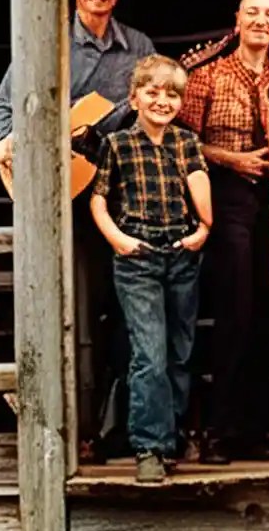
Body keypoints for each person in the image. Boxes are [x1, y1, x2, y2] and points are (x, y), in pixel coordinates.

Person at [0, 0, 158, 460]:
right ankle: (77, 429)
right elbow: (2, 107)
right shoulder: (48, 44)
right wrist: (8, 146)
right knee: (79, 316)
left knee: (130, 314)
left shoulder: (139, 48)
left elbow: (150, 111)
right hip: (68, 201)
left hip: (124, 196)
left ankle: (124, 429)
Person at [176, 0, 269, 464]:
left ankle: (254, 429)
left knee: (265, 310)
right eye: (253, 12)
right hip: (227, 194)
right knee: (233, 311)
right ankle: (218, 431)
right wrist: (231, 160)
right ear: (237, 19)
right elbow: (183, 141)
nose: (261, 20)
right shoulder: (206, 75)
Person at [87, 54, 212, 483]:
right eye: (152, 92)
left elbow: (200, 191)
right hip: (137, 255)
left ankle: (173, 434)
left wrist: (203, 229)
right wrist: (117, 239)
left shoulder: (186, 143)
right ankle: (149, 446)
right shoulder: (118, 144)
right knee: (149, 354)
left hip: (181, 251)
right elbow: (99, 199)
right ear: (134, 97)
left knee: (180, 349)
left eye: (171, 93)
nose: (162, 100)